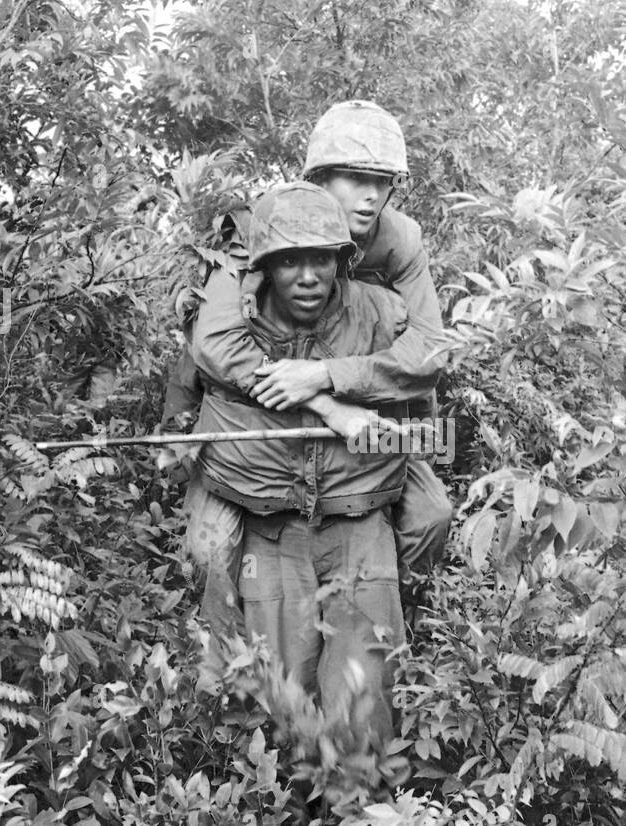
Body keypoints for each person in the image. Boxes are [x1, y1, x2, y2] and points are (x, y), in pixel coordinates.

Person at [163, 101, 452, 609]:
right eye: (354, 177)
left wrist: (326, 376)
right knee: (208, 551)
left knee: (430, 517)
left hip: (359, 408)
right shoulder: (265, 223)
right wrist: (324, 403)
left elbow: (428, 350)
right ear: (318, 177)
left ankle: (391, 613)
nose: (370, 196)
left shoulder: (398, 241)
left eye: (383, 181)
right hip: (251, 405)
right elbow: (217, 343)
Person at [191, 181, 426, 747]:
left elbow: (426, 369)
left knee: (362, 694)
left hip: (360, 524)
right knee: (279, 695)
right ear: (264, 267)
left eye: (320, 258)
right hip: (272, 528)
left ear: (340, 262)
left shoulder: (381, 312)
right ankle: (286, 824)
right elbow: (202, 361)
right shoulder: (234, 319)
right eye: (289, 260)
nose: (307, 276)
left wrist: (350, 392)